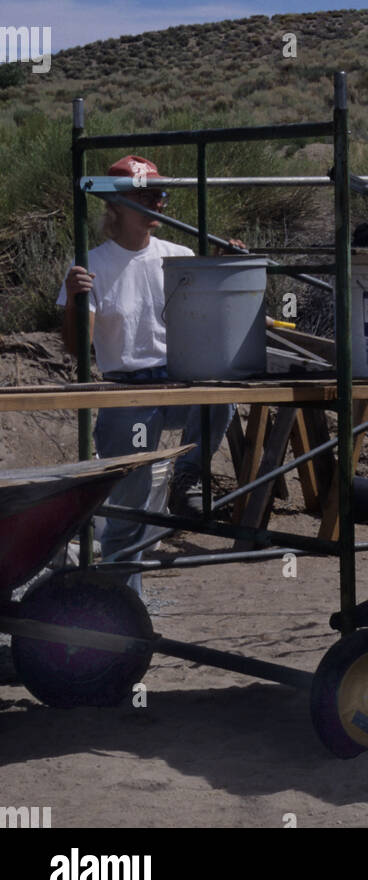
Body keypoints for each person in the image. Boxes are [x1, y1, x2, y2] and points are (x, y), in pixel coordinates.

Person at [58, 154, 237, 596]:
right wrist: (77, 297)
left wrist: (221, 268)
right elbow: (75, 348)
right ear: (116, 204)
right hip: (127, 390)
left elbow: (206, 320)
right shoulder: (91, 265)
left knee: (222, 398)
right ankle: (124, 610)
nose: (158, 201)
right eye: (146, 194)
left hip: (178, 379)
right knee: (130, 511)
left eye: (160, 192)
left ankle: (188, 476)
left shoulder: (178, 256)